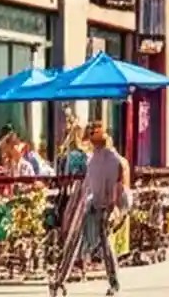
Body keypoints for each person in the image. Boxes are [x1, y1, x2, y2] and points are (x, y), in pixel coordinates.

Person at [50, 121, 128, 296]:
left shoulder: (113, 160)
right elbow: (89, 184)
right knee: (75, 240)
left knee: (105, 245)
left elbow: (117, 186)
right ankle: (60, 280)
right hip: (91, 205)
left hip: (105, 207)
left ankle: (114, 283)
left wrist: (113, 208)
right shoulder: (93, 159)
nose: (91, 141)